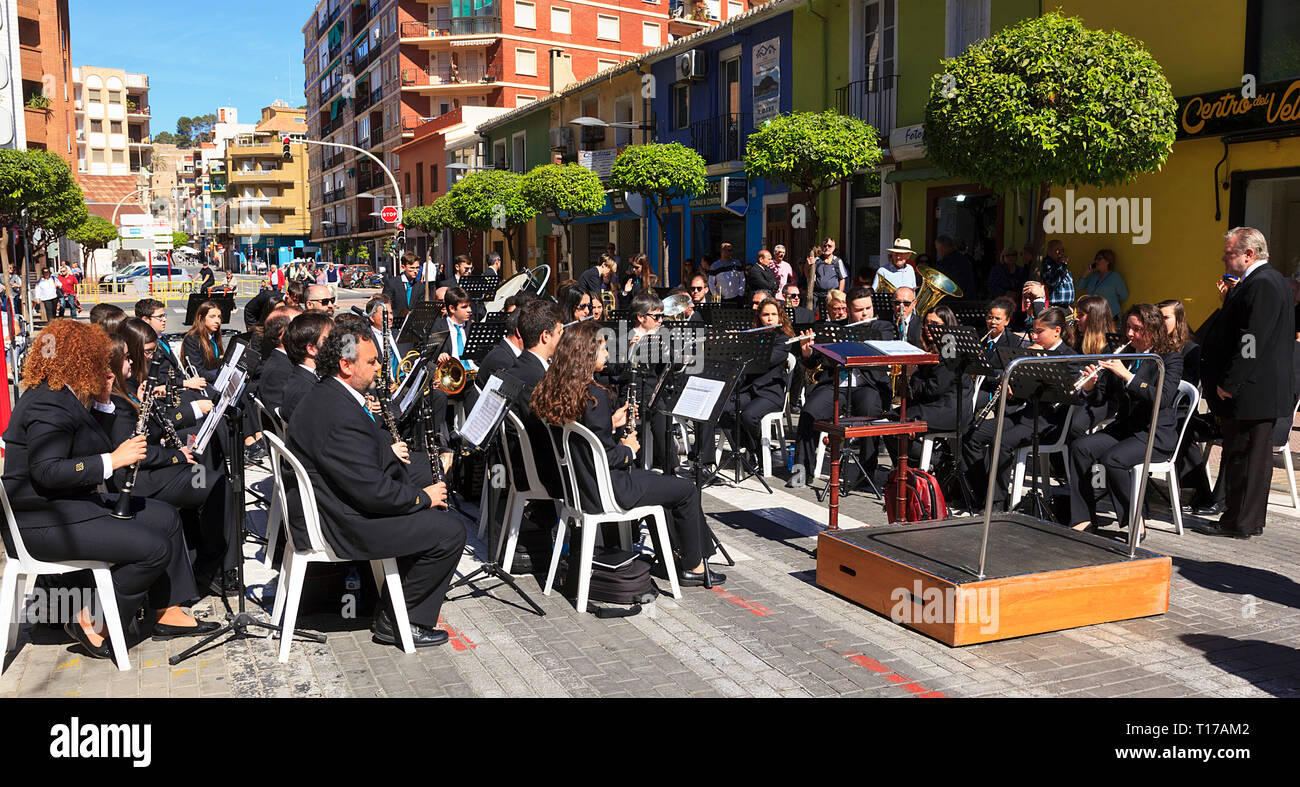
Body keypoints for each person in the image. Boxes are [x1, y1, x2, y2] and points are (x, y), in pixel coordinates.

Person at [1, 320, 218, 660]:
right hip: (42, 521)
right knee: (154, 548)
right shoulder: (48, 403)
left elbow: (86, 443)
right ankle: (93, 621)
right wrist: (113, 460)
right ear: (78, 361)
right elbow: (47, 470)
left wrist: (103, 403)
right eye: (97, 359)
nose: (107, 367)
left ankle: (168, 611)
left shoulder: (64, 395)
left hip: (66, 506)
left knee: (164, 515)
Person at [285, 325, 466, 648]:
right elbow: (373, 493)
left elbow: (362, 466)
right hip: (346, 523)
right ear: (346, 365)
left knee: (426, 483)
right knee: (449, 532)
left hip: (338, 504)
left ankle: (398, 599)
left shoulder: (328, 393)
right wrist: (422, 498)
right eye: (371, 362)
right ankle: (401, 620)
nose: (378, 368)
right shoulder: (339, 413)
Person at [531, 321, 725, 586]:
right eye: (603, 349)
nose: (608, 355)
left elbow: (583, 437)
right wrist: (629, 450)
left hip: (580, 486)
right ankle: (694, 566)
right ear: (586, 353)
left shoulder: (556, 388)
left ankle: (677, 556)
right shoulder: (594, 395)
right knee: (685, 490)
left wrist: (610, 423)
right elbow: (608, 457)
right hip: (609, 489)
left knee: (665, 487)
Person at [106, 331, 233, 596]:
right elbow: (134, 448)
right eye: (129, 357)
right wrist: (175, 455)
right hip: (143, 479)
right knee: (215, 483)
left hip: (152, 469)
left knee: (204, 474)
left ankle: (206, 556)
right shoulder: (118, 400)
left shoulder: (126, 389)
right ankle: (214, 567)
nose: (135, 362)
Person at [1195, 227, 1296, 539]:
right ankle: (1244, 519)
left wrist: (1231, 381)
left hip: (1252, 390)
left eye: (1229, 252)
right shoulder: (1262, 282)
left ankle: (1240, 522)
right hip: (1253, 389)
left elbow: (1252, 338)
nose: (1224, 258)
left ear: (1248, 254)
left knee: (1247, 458)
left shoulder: (1263, 283)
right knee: (1246, 456)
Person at [1069, 303, 1184, 539]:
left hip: (1154, 432)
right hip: (1126, 428)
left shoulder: (1169, 359)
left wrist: (1127, 375)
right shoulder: (1125, 354)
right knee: (1080, 447)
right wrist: (1090, 388)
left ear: (1153, 329)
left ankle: (1135, 519)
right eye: (1128, 328)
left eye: (1137, 329)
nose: (1130, 334)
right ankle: (1083, 517)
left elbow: (1161, 398)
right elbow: (1103, 397)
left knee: (1113, 459)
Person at [963, 307, 1078, 510]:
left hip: (1047, 422)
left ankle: (996, 504)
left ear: (1057, 331)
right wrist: (1012, 386)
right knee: (973, 435)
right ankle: (983, 493)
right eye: (1034, 330)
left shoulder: (1069, 357)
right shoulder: (1030, 353)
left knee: (1003, 441)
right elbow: (1025, 388)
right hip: (1024, 415)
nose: (1035, 336)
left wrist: (1040, 361)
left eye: (1040, 331)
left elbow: (1064, 394)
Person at [792, 287, 893, 484]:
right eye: (859, 310)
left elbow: (882, 350)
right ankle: (801, 472)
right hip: (836, 384)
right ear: (848, 310)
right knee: (809, 412)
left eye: (868, 308)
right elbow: (814, 362)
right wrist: (807, 353)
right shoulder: (833, 328)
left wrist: (857, 335)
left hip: (868, 385)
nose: (865, 313)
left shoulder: (883, 327)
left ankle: (866, 474)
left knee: (870, 411)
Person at [280, 311, 332, 424]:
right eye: (329, 340)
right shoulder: (309, 391)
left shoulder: (301, 379)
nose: (335, 344)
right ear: (311, 349)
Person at [1079, 249, 1128, 317]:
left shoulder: (1114, 277)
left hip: (1111, 316)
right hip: (1094, 315)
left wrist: (1110, 300)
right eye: (1096, 259)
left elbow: (1124, 296)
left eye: (1099, 259)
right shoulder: (1093, 276)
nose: (1096, 261)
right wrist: (1086, 272)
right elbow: (1079, 287)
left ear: (1108, 261)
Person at [382, 252, 426, 320]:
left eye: (417, 268)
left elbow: (420, 307)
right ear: (403, 267)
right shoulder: (392, 283)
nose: (415, 271)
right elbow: (386, 304)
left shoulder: (420, 286)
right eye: (412, 268)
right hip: (394, 322)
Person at [811, 238, 848, 314]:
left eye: (829, 246)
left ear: (834, 247)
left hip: (831, 295)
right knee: (816, 315)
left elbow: (842, 279)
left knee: (831, 314)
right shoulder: (817, 260)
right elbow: (809, 275)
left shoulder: (837, 261)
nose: (827, 248)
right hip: (818, 295)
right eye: (825, 246)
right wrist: (808, 265)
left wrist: (838, 295)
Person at [1040, 240, 1076, 307]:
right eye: (1057, 251)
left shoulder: (1060, 265)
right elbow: (1052, 283)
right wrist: (1063, 266)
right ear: (1049, 252)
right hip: (1054, 307)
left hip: (1066, 307)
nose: (1061, 254)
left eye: (1062, 251)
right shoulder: (1047, 265)